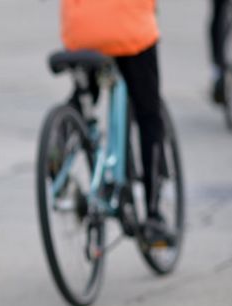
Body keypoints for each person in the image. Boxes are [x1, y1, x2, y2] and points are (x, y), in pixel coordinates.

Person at [60, 0, 171, 245]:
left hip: (82, 30)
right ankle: (153, 214)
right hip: (131, 29)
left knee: (86, 94)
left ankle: (61, 137)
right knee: (148, 115)